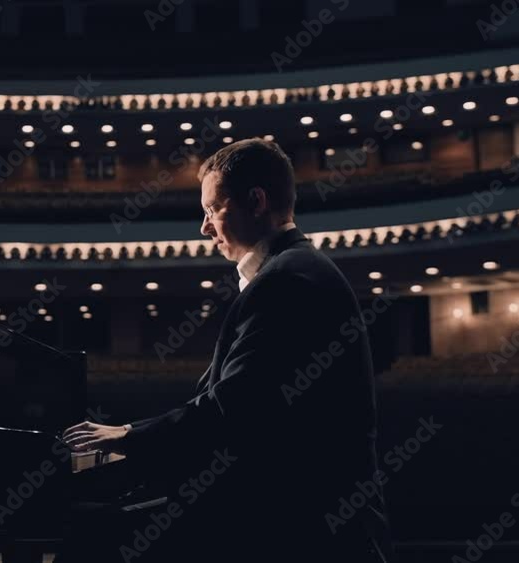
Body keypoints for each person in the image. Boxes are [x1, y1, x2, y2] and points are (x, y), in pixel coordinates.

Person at [61, 138, 391, 561]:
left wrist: (129, 436)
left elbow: (233, 409)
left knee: (95, 540)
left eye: (211, 210)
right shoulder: (291, 272)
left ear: (255, 202)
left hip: (302, 526)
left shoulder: (287, 281)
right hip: (289, 511)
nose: (204, 228)